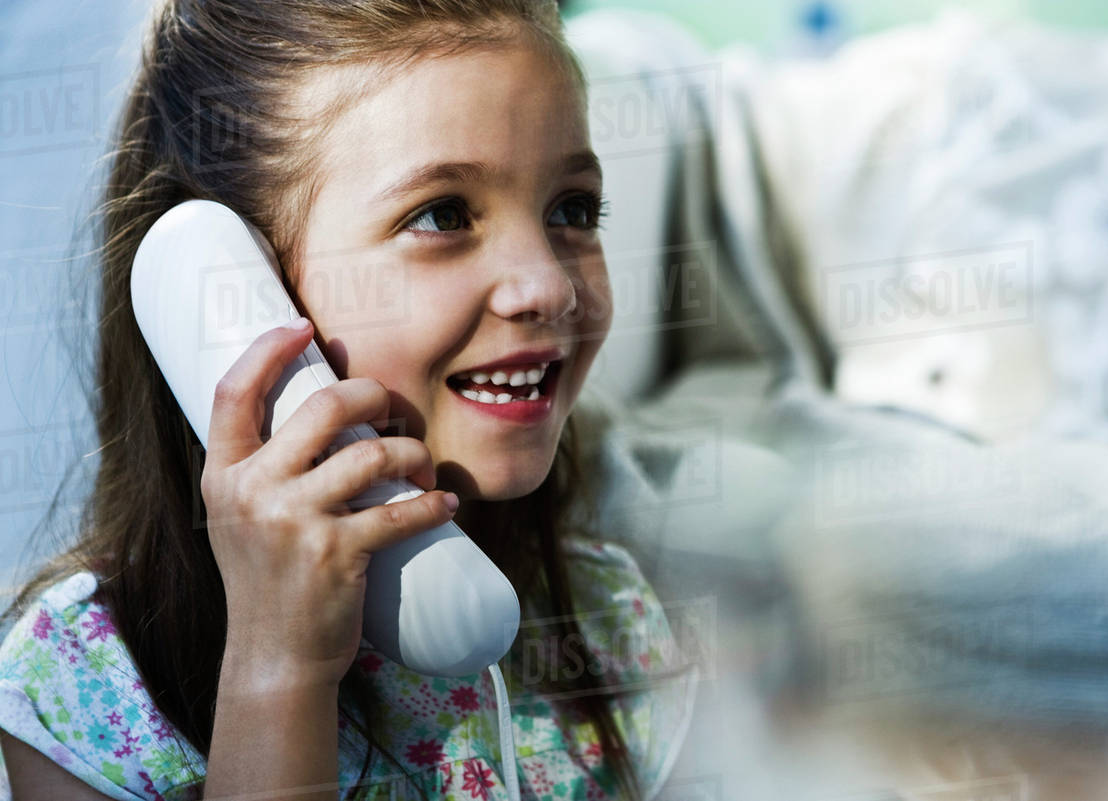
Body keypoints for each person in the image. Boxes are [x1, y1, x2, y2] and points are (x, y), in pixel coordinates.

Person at [0, 0, 697, 798]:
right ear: (230, 291)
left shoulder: (610, 619)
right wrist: (278, 663)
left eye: (572, 209)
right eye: (443, 215)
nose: (548, 284)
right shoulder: (86, 685)